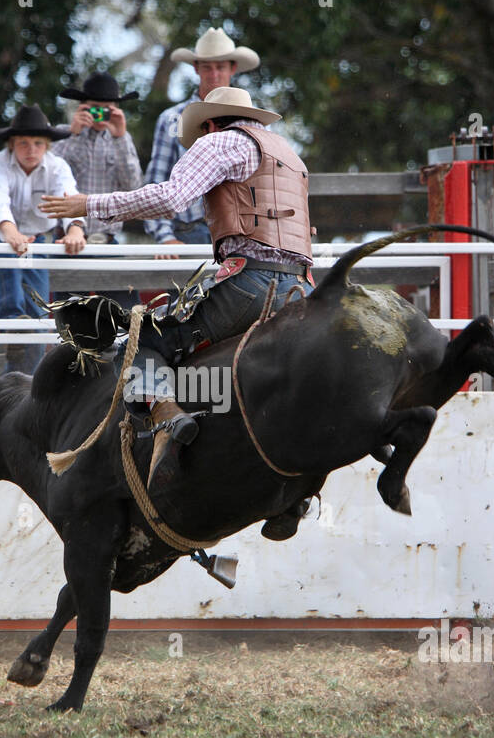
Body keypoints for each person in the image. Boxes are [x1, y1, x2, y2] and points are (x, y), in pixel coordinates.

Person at [41, 86, 311, 502]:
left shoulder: (220, 141)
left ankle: (168, 415)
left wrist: (89, 205)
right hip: (301, 291)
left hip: (251, 284)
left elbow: (170, 198)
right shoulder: (288, 155)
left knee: (145, 340)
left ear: (208, 122)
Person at [0, 104, 86, 375]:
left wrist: (75, 230)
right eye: (23, 143)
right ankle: (12, 321)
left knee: (37, 311)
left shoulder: (58, 167)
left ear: (46, 145)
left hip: (35, 239)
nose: (31, 149)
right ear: (11, 144)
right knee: (5, 250)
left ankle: (22, 380)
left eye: (37, 143)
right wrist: (12, 235)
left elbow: (69, 199)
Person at [143, 27, 259, 253]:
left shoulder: (252, 120)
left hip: (241, 231)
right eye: (207, 67)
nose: (214, 74)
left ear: (232, 68)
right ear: (196, 68)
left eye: (220, 67)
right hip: (188, 230)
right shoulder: (172, 119)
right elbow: (158, 178)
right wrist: (165, 237)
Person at [53, 72, 143, 308]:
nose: (101, 114)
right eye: (96, 108)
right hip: (67, 241)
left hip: (107, 240)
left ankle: (128, 346)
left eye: (108, 108)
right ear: (84, 107)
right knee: (69, 314)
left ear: (116, 109)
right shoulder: (62, 133)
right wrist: (73, 134)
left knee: (126, 311)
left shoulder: (122, 138)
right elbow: (50, 178)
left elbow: (133, 186)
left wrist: (121, 135)